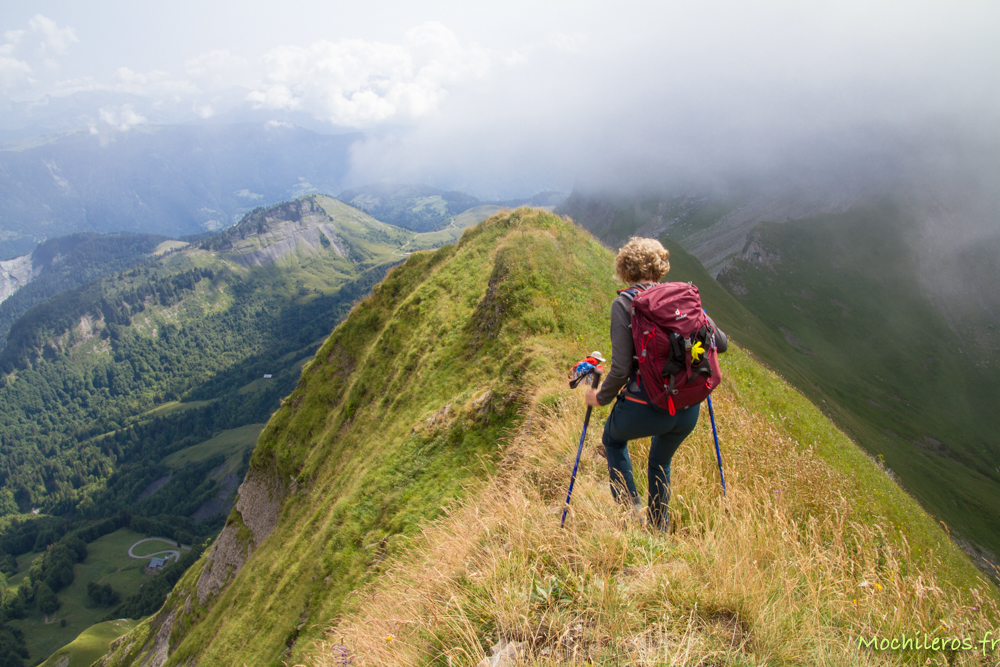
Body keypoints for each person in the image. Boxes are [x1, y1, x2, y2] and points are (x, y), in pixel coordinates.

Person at [585, 237, 727, 531]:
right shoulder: (683, 298)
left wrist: (599, 398)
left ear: (625, 269)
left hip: (645, 406)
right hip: (687, 408)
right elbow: (721, 343)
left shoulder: (624, 303)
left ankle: (632, 514)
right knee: (660, 461)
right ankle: (658, 526)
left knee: (612, 440)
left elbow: (622, 369)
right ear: (660, 267)